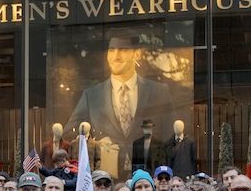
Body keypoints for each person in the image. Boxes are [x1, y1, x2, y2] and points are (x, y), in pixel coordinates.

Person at [67, 33, 175, 176]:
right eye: (111, 50)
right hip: (106, 177)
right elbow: (69, 133)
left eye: (123, 50)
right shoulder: (91, 95)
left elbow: (170, 136)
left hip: (147, 175)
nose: (116, 56)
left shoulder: (159, 91)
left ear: (136, 54)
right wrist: (94, 143)